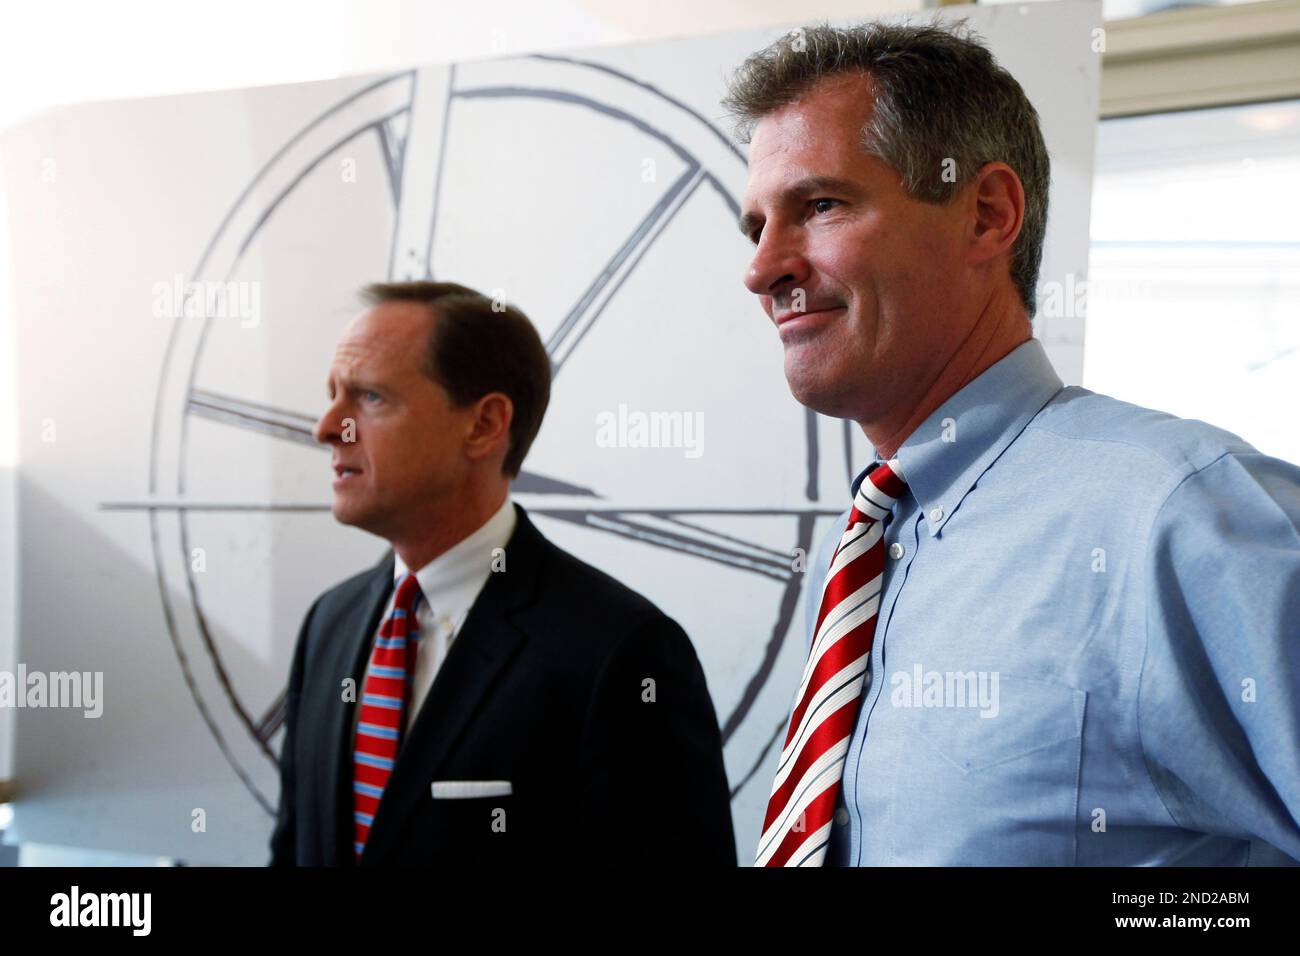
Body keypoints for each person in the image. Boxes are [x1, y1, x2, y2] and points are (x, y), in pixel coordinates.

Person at [725, 20, 1300, 866]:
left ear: (988, 215)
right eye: (754, 227)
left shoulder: (1182, 517)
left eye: (820, 205)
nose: (763, 267)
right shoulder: (874, 548)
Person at [268, 280, 735, 865]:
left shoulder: (622, 651)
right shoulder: (327, 626)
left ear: (485, 424)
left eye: (369, 398)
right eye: (332, 395)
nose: (327, 426)